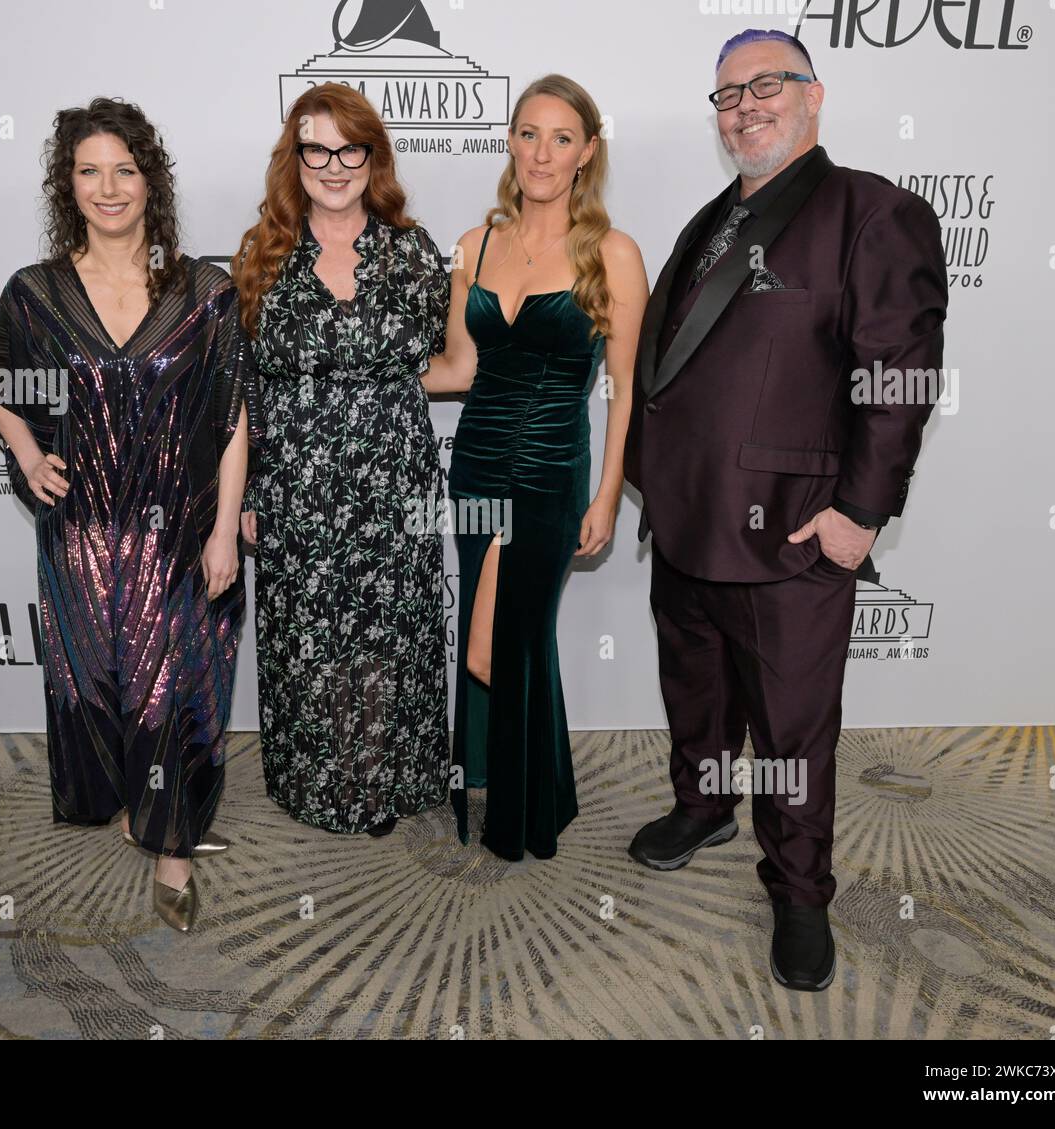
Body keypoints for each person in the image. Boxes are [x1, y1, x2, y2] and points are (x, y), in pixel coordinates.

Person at [624, 30, 948, 990]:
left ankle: (800, 892)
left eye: (767, 85)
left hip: (796, 533)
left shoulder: (874, 213)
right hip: (686, 522)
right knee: (699, 695)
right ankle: (706, 803)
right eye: (727, 95)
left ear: (816, 95)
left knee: (794, 732)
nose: (745, 105)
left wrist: (861, 513)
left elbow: (896, 377)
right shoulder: (711, 219)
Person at [0, 97, 260, 933]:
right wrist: (28, 456)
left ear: (150, 181)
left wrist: (222, 529)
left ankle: (172, 848)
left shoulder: (203, 290)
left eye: (124, 171)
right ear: (68, 185)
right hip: (85, 534)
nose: (108, 188)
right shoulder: (36, 293)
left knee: (181, 687)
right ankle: (138, 806)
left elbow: (235, 414)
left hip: (182, 533)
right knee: (101, 686)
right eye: (89, 171)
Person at [423, 75, 648, 861]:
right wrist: (364, 372)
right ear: (509, 143)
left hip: (553, 470)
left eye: (560, 138)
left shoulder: (612, 253)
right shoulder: (475, 244)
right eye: (528, 134)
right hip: (477, 465)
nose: (541, 153)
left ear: (587, 152)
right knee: (503, 644)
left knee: (504, 644)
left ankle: (528, 809)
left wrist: (610, 490)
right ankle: (538, 791)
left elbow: (624, 389)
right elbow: (455, 367)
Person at [234, 83, 450, 837]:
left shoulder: (412, 252)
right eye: (315, 149)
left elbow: (449, 361)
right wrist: (250, 491)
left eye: (348, 148)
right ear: (294, 159)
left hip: (394, 480)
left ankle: (381, 780)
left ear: (371, 155)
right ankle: (319, 783)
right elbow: (246, 388)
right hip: (295, 481)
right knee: (310, 633)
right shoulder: (261, 255)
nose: (333, 165)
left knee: (388, 632)